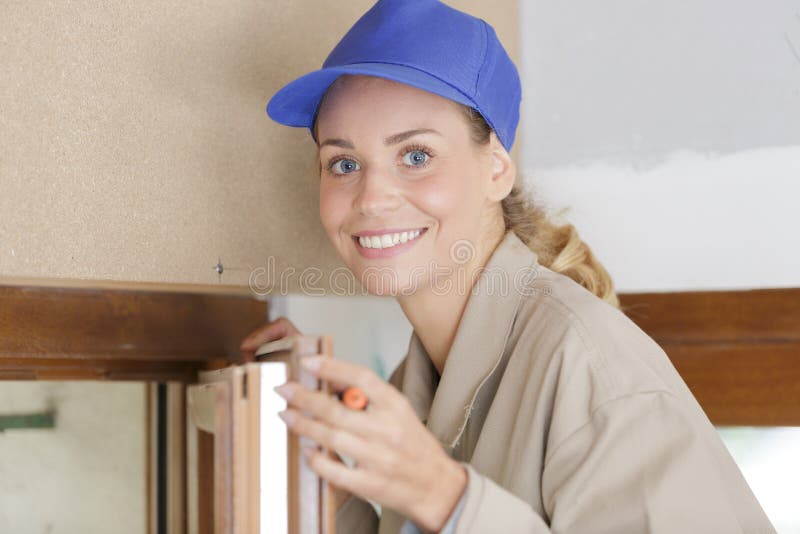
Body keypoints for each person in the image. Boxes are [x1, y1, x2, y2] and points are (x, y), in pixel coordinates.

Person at [240, 1, 777, 532]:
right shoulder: (416, 382)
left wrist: (445, 497)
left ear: (496, 170)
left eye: (416, 155)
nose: (372, 197)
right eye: (345, 163)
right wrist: (320, 450)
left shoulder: (593, 366)